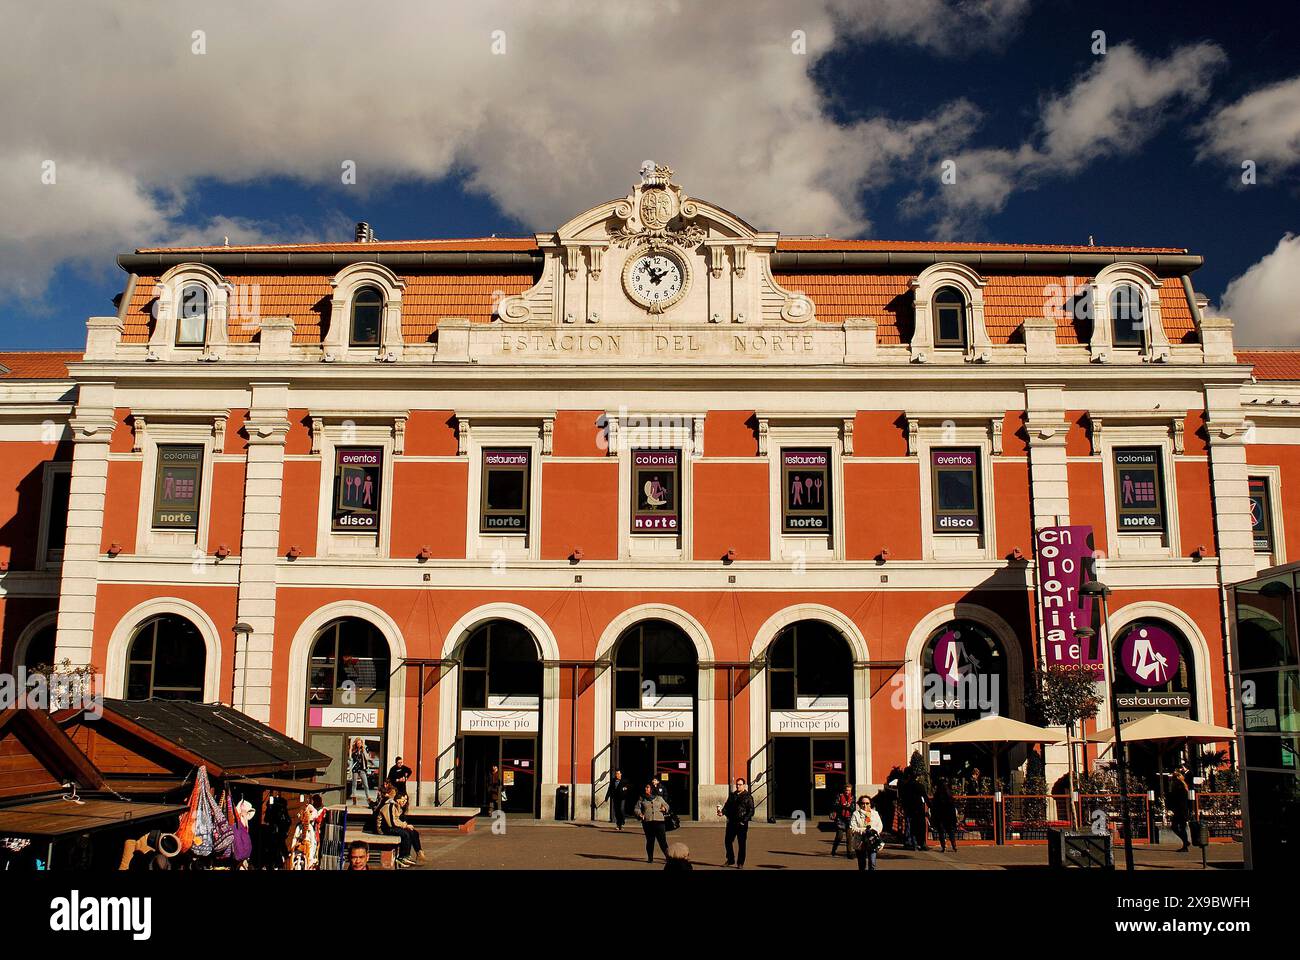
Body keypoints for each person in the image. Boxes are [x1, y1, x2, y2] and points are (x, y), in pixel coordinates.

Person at [377, 784, 424, 867]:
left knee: (412, 832)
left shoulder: (396, 806)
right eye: (403, 800)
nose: (405, 802)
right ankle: (402, 857)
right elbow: (391, 822)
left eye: (406, 800)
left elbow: (396, 819)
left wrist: (405, 825)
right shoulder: (389, 805)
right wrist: (405, 826)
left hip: (390, 826)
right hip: (384, 828)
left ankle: (411, 855)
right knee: (405, 834)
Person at [720, 777, 755, 868]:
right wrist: (722, 812)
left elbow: (751, 811)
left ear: (744, 785)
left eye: (740, 784)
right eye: (737, 784)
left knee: (741, 843)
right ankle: (730, 859)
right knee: (728, 841)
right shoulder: (732, 795)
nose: (738, 786)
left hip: (741, 824)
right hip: (731, 822)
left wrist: (744, 821)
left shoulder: (748, 797)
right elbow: (727, 806)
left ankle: (740, 863)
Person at [634, 782, 671, 863]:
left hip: (659, 822)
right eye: (645, 787)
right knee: (650, 841)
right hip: (648, 822)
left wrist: (664, 808)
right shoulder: (642, 798)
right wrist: (640, 814)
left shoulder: (659, 798)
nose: (646, 789)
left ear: (651, 789)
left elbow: (667, 805)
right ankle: (650, 858)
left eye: (647, 787)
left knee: (662, 841)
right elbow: (636, 808)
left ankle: (668, 857)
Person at [849, 796, 884, 871]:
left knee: (872, 863)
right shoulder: (856, 814)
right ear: (859, 804)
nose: (865, 805)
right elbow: (852, 827)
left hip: (872, 841)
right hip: (860, 842)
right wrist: (864, 831)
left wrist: (874, 831)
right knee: (862, 865)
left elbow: (880, 825)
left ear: (870, 804)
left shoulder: (875, 813)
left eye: (867, 803)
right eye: (862, 803)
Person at [899, 770, 930, 851]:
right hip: (919, 808)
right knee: (920, 826)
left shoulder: (905, 786)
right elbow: (925, 797)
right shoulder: (919, 786)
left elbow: (902, 797)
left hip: (909, 808)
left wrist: (903, 807)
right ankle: (922, 844)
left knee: (910, 826)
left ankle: (914, 844)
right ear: (916, 777)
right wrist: (930, 806)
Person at [1166, 768, 1191, 852]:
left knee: (1175, 827)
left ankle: (1185, 843)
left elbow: (1176, 799)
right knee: (1182, 827)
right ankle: (1185, 844)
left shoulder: (1178, 787)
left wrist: (1172, 809)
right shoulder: (1183, 786)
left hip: (1179, 811)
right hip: (1183, 810)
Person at [931, 779, 959, 852]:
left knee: (941, 831)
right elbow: (953, 807)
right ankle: (954, 846)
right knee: (950, 831)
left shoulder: (937, 795)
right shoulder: (949, 795)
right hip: (949, 815)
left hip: (940, 815)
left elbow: (934, 806)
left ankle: (943, 847)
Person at [829, 784, 855, 858]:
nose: (847, 792)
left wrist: (849, 807)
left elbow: (853, 809)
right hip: (840, 819)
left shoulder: (853, 797)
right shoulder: (839, 796)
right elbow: (835, 805)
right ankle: (834, 849)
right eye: (846, 790)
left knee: (849, 837)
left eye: (849, 790)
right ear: (844, 790)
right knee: (839, 836)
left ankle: (849, 853)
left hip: (849, 819)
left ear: (851, 790)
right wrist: (843, 806)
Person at [349, 738, 373, 804]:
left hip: (362, 769)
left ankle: (368, 798)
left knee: (365, 784)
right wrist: (352, 749)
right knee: (354, 784)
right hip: (355, 769)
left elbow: (367, 758)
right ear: (356, 744)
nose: (359, 744)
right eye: (358, 743)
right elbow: (351, 758)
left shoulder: (364, 750)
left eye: (360, 743)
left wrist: (363, 749)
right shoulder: (354, 751)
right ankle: (354, 798)